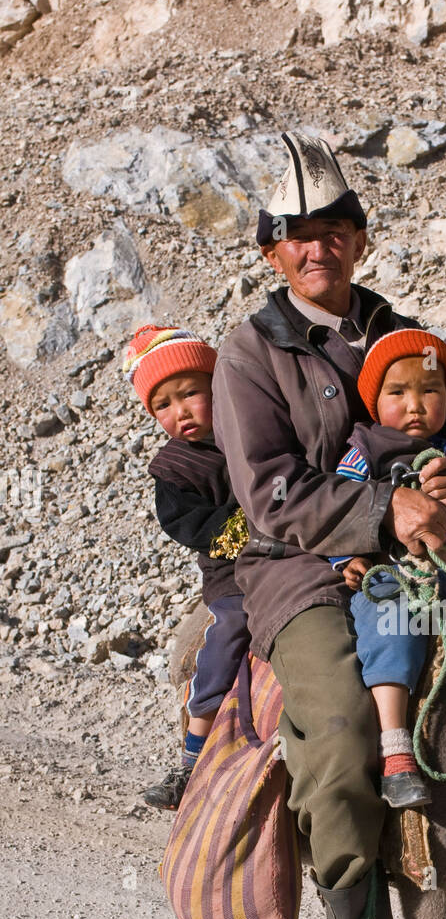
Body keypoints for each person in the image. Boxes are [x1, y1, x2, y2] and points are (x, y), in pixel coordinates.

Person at [212, 131, 446, 919]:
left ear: (361, 238)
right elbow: (268, 493)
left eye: (334, 229)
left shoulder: (397, 333)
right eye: (297, 235)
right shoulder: (247, 354)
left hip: (419, 558)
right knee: (343, 729)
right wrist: (385, 514)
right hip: (297, 568)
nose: (318, 248)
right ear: (272, 250)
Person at [329, 328, 446, 809]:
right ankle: (396, 752)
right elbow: (339, 508)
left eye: (430, 391)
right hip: (395, 576)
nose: (415, 405)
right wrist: (348, 559)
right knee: (393, 632)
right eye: (398, 392)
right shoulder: (363, 451)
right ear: (374, 402)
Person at [123, 325, 250, 809]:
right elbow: (196, 527)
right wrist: (259, 522)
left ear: (217, 386)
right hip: (233, 576)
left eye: (191, 393)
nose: (180, 412)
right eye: (163, 405)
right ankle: (192, 757)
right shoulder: (175, 471)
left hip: (297, 558)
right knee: (226, 635)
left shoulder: (256, 430)